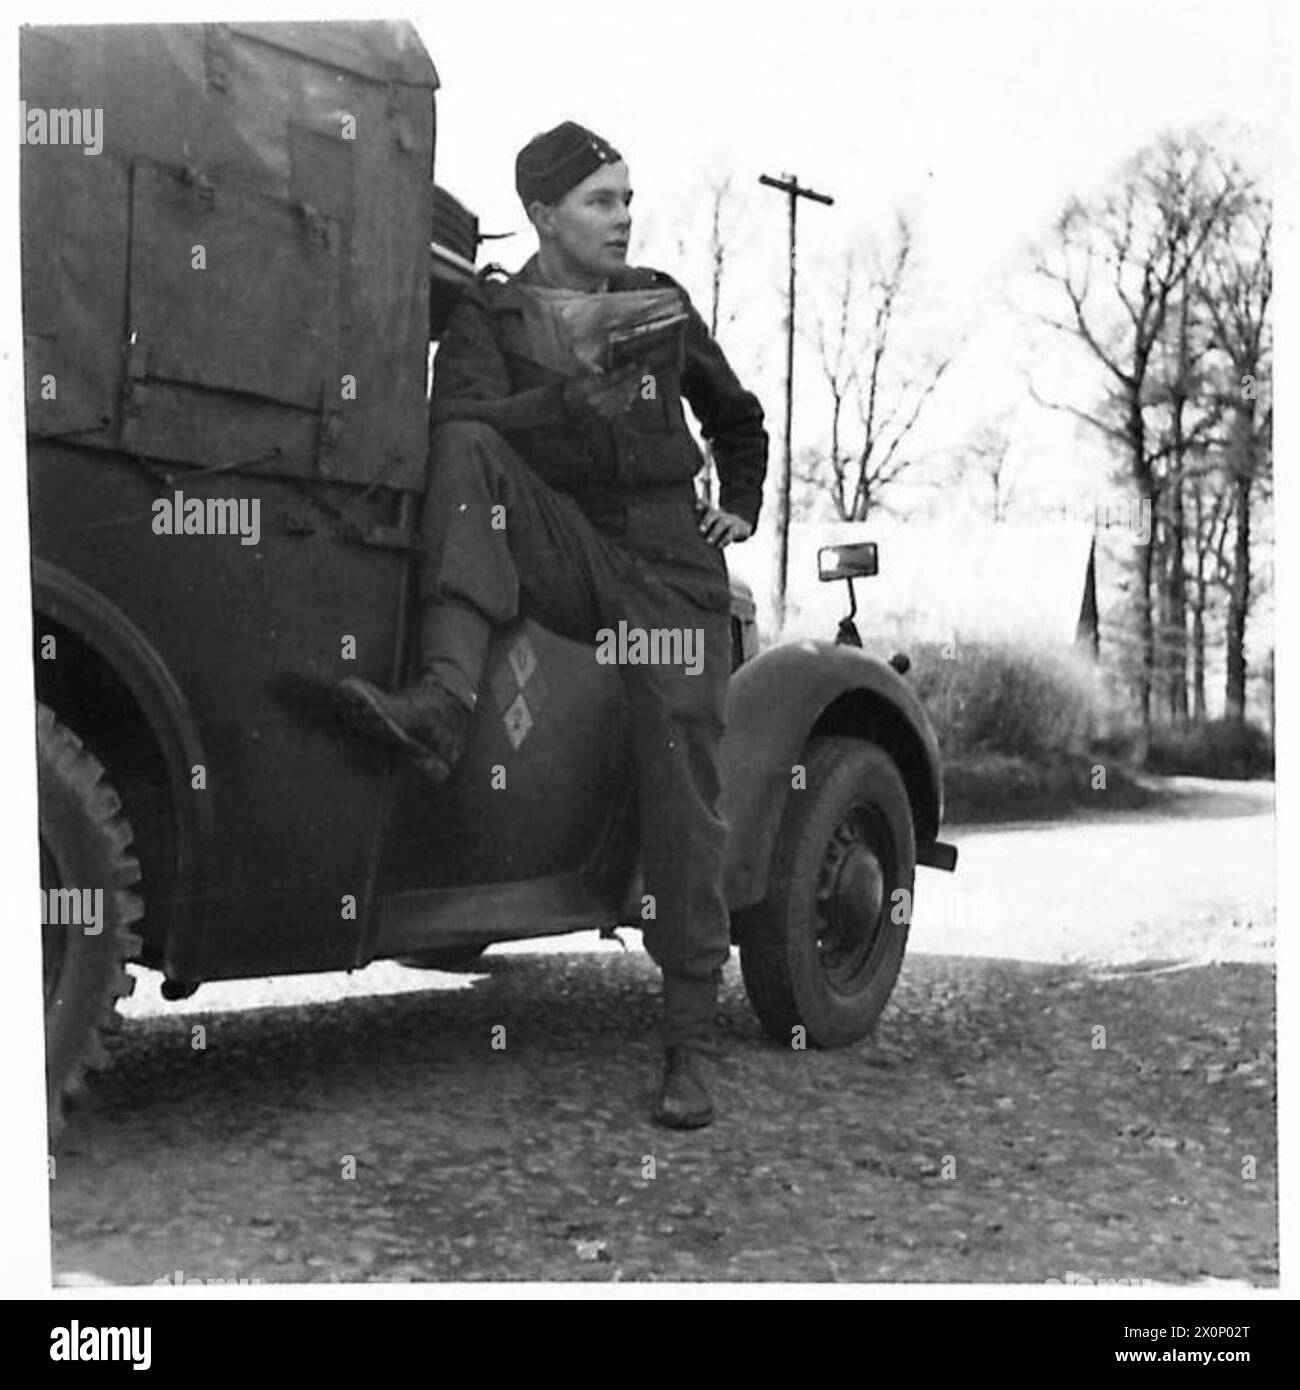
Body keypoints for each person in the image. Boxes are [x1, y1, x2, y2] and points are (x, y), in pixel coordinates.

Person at [334, 121, 768, 1128]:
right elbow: (461, 423)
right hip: (570, 545)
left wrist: (736, 505)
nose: (623, 218)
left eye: (626, 198)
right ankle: (442, 703)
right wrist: (573, 402)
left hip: (668, 566)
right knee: (472, 451)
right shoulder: (494, 311)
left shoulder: (659, 301)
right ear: (542, 215)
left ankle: (686, 1045)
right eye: (600, 202)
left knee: (682, 772)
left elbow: (737, 418)